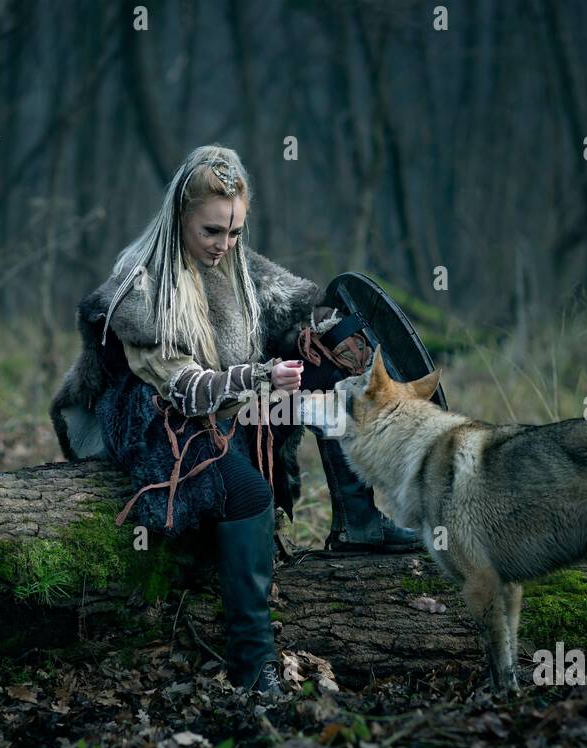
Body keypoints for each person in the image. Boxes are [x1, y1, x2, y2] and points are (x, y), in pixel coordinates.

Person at [49, 144, 421, 695]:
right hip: (162, 424)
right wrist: (262, 378)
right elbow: (184, 391)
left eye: (235, 232)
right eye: (212, 232)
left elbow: (294, 312)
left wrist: (322, 335)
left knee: (325, 368)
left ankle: (359, 521)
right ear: (181, 216)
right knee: (248, 496)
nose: (225, 245)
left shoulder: (241, 267)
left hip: (234, 402)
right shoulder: (142, 288)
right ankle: (253, 664)